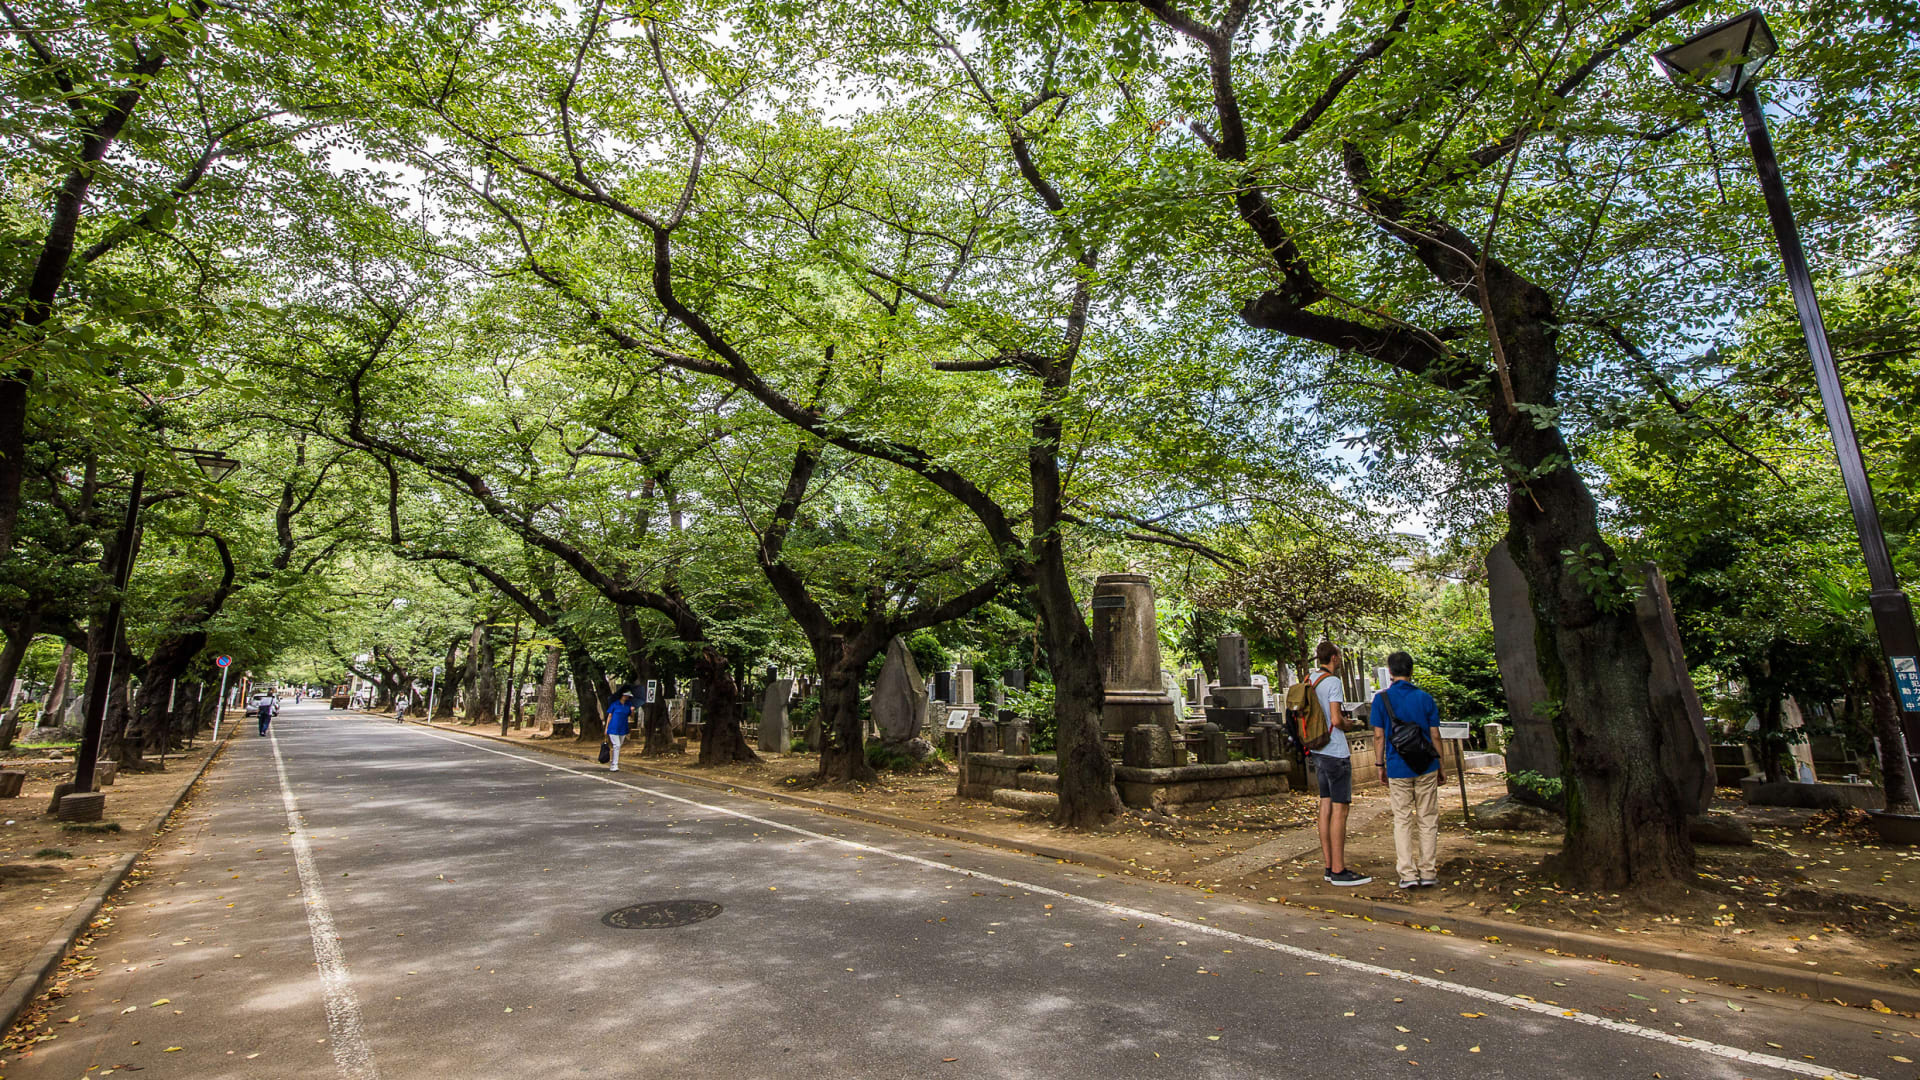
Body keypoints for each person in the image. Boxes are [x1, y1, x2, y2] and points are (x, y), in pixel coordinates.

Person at [1370, 650, 1445, 890]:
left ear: (1390, 672)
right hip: (1426, 765)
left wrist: (1379, 765)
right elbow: (1434, 734)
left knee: (1402, 819)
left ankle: (1408, 873)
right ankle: (1428, 871)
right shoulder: (1425, 698)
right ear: (1411, 671)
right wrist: (1440, 764)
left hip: (1397, 766)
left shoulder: (1381, 701)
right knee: (1428, 818)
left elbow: (1379, 736)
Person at [1310, 641, 1370, 886]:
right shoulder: (1333, 682)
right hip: (1335, 750)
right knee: (1340, 809)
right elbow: (1335, 719)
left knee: (1325, 805)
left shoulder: (1310, 679)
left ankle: (1328, 865)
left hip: (1317, 749)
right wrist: (1350, 724)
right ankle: (1338, 869)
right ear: (1334, 658)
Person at [604, 690, 634, 771]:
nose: (626, 697)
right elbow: (609, 716)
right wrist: (606, 728)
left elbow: (631, 716)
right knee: (616, 745)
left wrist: (632, 711)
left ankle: (614, 763)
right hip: (613, 728)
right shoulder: (615, 704)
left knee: (618, 746)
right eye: (625, 695)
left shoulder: (628, 705)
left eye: (627, 696)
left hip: (623, 728)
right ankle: (614, 765)